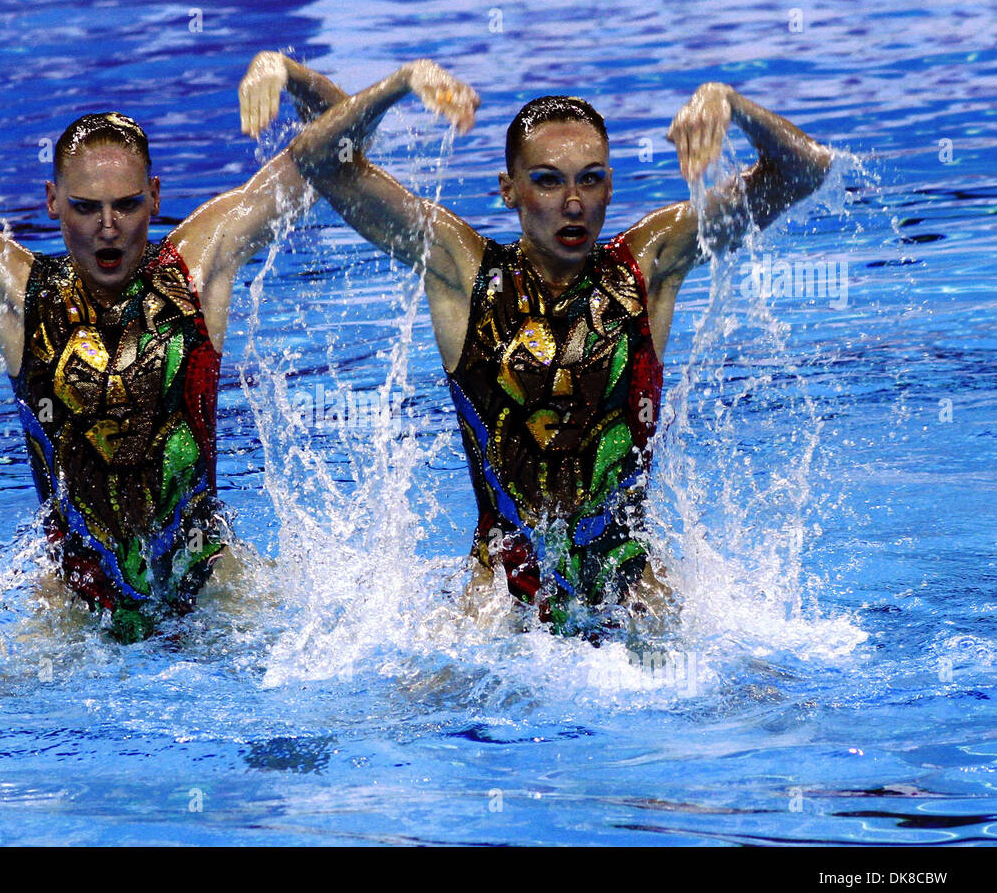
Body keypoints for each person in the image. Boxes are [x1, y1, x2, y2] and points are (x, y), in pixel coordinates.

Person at [246, 56, 832, 638]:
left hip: (626, 578)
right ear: (510, 191)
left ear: (610, 186)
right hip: (502, 585)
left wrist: (730, 103)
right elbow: (322, 161)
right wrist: (395, 83)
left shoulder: (646, 266)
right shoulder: (462, 270)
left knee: (738, 696)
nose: (573, 202)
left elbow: (804, 171)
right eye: (548, 180)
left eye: (590, 178)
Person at [0, 50, 345, 642]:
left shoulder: (199, 267)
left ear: (156, 197)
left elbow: (337, 158)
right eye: (86, 207)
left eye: (127, 205)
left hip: (213, 586)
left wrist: (291, 74)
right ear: (51, 202)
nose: (108, 226)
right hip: (74, 606)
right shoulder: (14, 292)